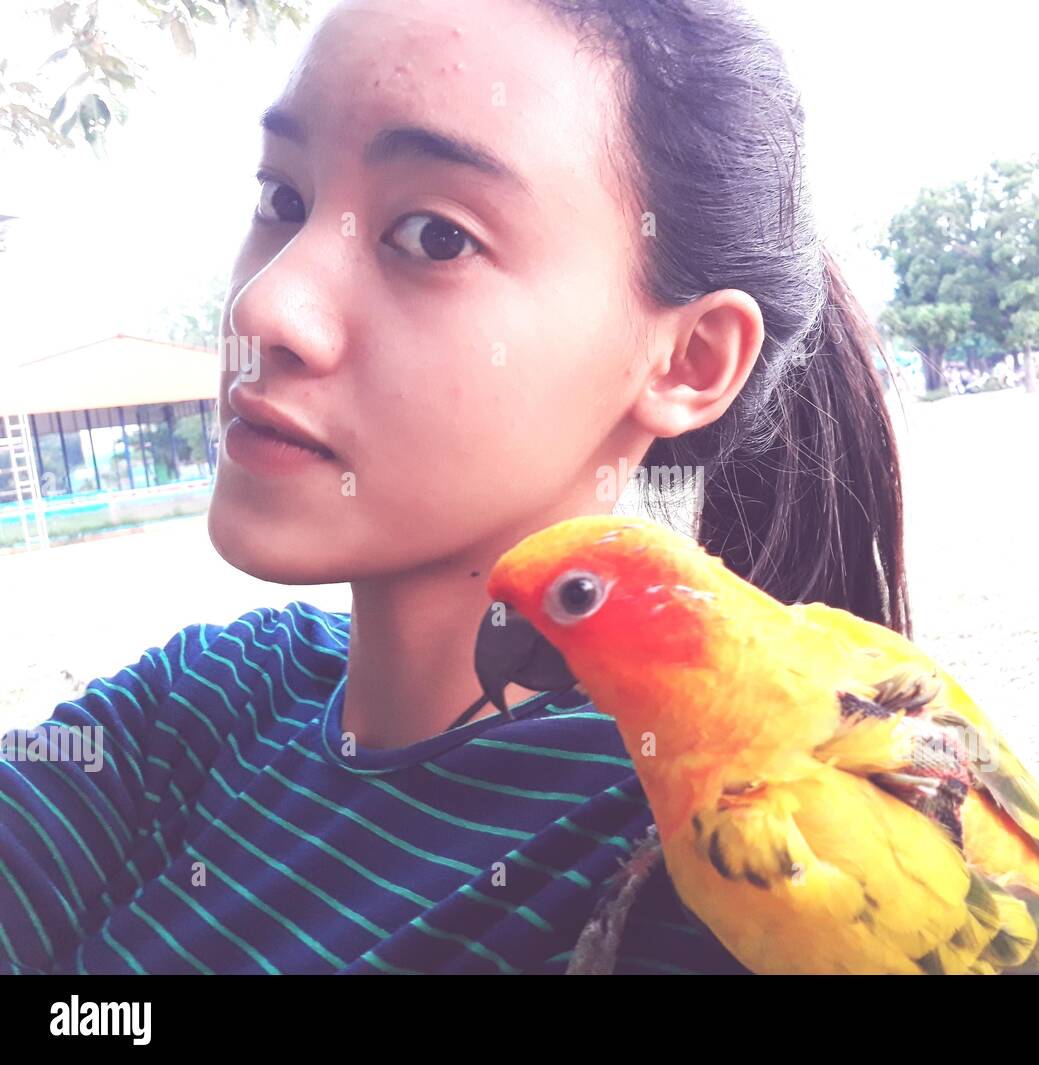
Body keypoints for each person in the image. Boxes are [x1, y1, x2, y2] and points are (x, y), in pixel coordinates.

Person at [0, 0, 909, 975]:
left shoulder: (729, 860)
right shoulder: (206, 699)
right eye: (281, 199)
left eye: (434, 236)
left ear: (687, 359)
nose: (262, 307)